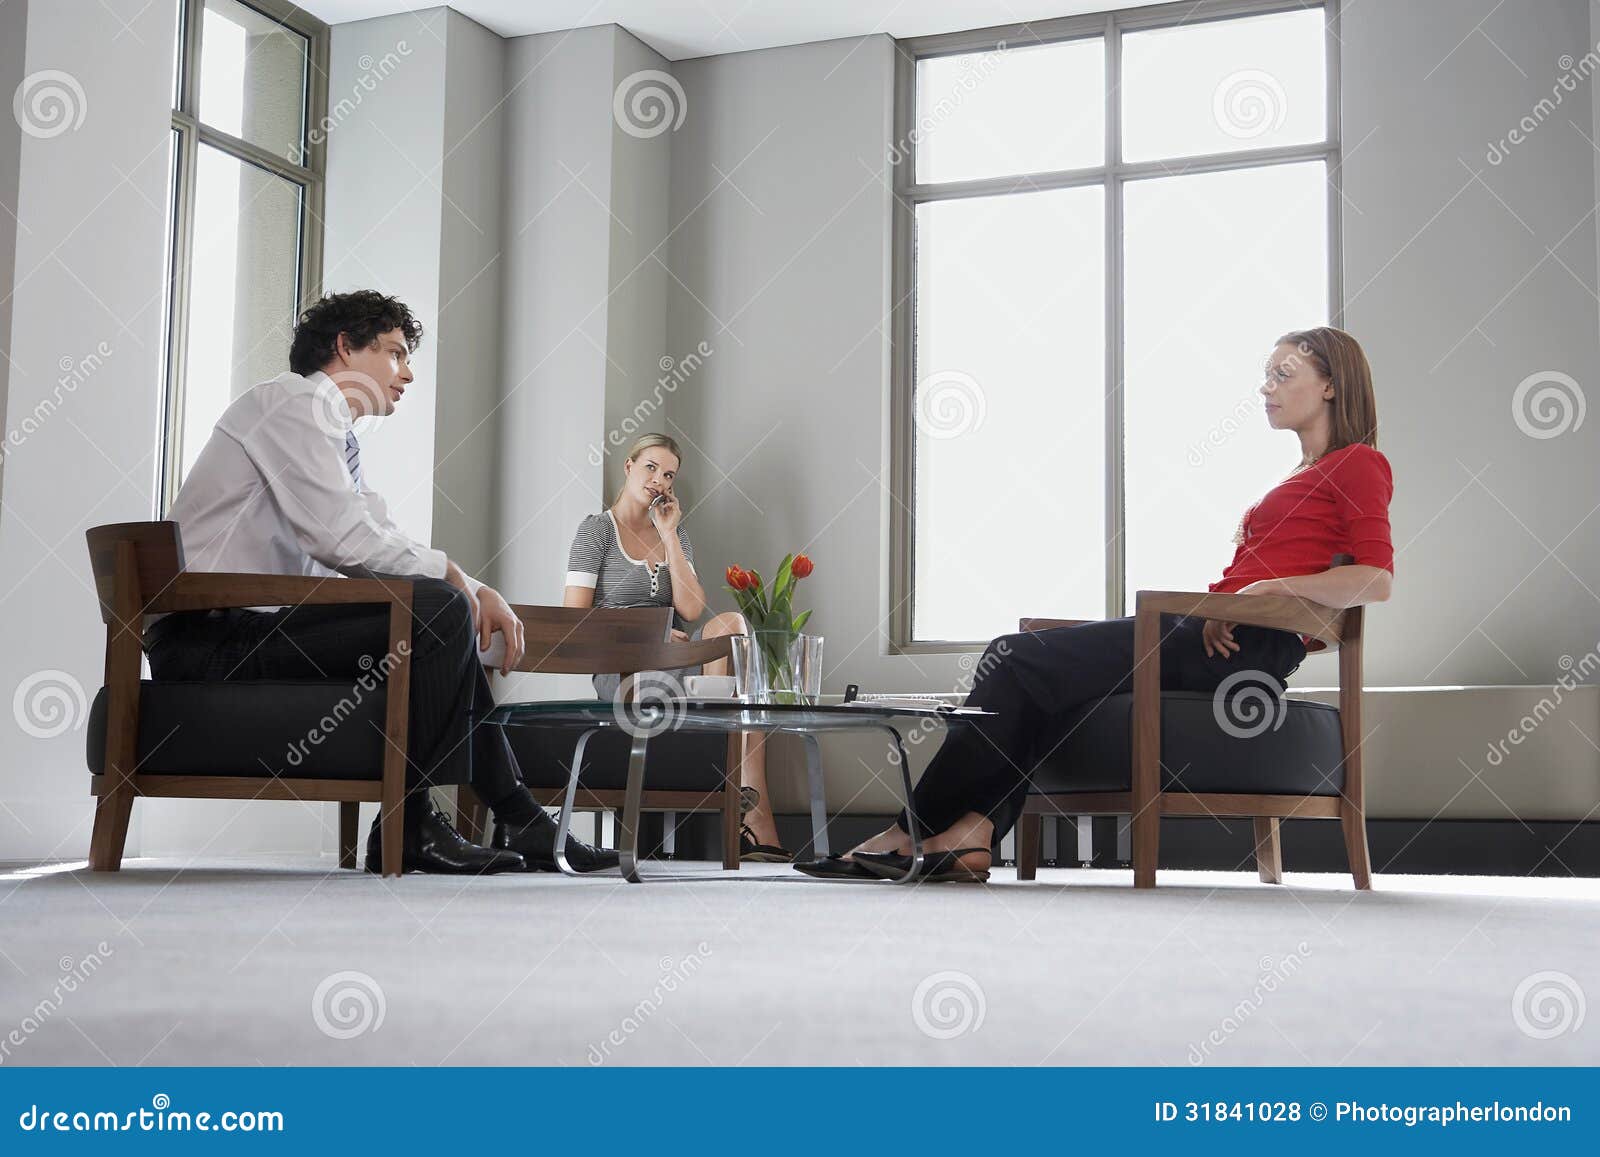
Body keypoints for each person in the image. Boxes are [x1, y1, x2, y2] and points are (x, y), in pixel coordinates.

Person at [799, 327, 1395, 882]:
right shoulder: (1300, 474)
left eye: (1283, 374)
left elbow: (1376, 578)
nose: (1266, 388)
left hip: (1248, 643)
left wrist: (1265, 592)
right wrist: (1230, 602)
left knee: (1013, 656)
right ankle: (970, 834)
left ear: (1331, 385)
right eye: (1265, 375)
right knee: (1034, 679)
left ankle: (909, 833)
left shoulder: (1358, 463)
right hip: (1214, 629)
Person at [150, 290, 618, 875]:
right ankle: (422, 823)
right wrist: (456, 584)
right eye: (395, 353)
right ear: (345, 347)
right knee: (438, 608)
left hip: (249, 628)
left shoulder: (331, 435)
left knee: (440, 608)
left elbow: (378, 535)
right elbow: (343, 541)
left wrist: (474, 588)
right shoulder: (293, 404)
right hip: (208, 640)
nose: (408, 373)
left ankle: (510, 817)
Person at [564, 433, 792, 861]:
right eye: (651, 467)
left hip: (678, 662)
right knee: (733, 687)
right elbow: (573, 622)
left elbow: (690, 609)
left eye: (669, 475)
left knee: (732, 626)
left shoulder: (676, 533)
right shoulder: (596, 531)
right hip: (624, 668)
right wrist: (650, 633)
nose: (659, 480)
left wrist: (668, 534)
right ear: (629, 466)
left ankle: (746, 805)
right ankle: (745, 817)